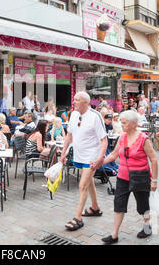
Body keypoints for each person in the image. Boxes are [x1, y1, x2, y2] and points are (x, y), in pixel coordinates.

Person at [99, 110, 158, 244]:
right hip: (122, 177)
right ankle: (114, 235)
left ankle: (148, 225)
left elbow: (154, 159)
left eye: (124, 123)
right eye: (121, 122)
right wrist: (100, 162)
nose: (122, 125)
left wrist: (154, 180)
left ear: (134, 124)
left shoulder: (143, 139)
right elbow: (114, 155)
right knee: (119, 204)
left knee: (143, 206)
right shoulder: (122, 137)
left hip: (140, 177)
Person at [60, 92, 108, 232]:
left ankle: (77, 218)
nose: (74, 102)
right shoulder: (74, 114)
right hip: (79, 156)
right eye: (74, 99)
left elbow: (104, 140)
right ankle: (95, 207)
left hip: (91, 156)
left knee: (82, 185)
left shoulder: (95, 116)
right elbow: (69, 135)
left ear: (86, 102)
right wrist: (63, 152)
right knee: (88, 181)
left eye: (77, 100)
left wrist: (100, 158)